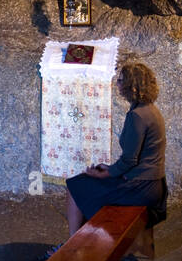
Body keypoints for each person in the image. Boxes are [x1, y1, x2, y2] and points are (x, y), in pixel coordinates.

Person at [64, 60, 168, 242]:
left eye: (121, 80)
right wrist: (110, 169)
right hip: (153, 184)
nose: (117, 84)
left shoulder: (137, 116)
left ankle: (73, 244)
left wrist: (103, 175)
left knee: (75, 186)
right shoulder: (151, 110)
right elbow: (137, 159)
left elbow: (130, 161)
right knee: (85, 184)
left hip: (141, 188)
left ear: (132, 86)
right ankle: (84, 240)